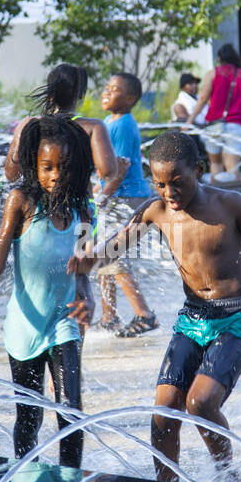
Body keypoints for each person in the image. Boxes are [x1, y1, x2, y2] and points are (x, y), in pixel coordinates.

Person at [71, 130, 241, 482]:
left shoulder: (229, 203)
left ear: (199, 169)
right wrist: (85, 259)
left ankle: (227, 478)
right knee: (163, 411)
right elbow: (111, 249)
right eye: (161, 184)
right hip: (193, 318)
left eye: (178, 183)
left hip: (238, 317)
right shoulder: (155, 212)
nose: (169, 193)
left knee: (201, 403)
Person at [0, 115, 96, 469]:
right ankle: (24, 475)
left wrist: (87, 297)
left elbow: (82, 271)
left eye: (62, 167)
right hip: (24, 325)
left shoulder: (83, 210)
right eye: (46, 167)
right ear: (34, 166)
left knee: (71, 411)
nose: (55, 175)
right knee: (29, 415)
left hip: (63, 323)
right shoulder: (22, 203)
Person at [95, 72, 158, 337]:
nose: (107, 92)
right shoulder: (111, 121)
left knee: (111, 254)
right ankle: (109, 316)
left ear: (130, 98)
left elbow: (119, 169)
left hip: (124, 196)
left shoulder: (122, 126)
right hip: (117, 193)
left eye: (115, 89)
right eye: (106, 87)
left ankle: (145, 314)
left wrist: (102, 195)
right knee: (99, 251)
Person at [4, 64, 126, 199]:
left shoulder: (28, 125)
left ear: (50, 93)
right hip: (77, 208)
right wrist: (118, 169)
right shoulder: (93, 127)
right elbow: (107, 172)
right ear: (79, 95)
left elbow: (11, 175)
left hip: (36, 206)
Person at [189, 44, 241, 179]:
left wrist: (190, 120)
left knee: (215, 165)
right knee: (232, 168)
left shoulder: (212, 74)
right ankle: (231, 198)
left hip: (214, 125)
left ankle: (216, 198)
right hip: (236, 125)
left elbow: (203, 98)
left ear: (220, 58)